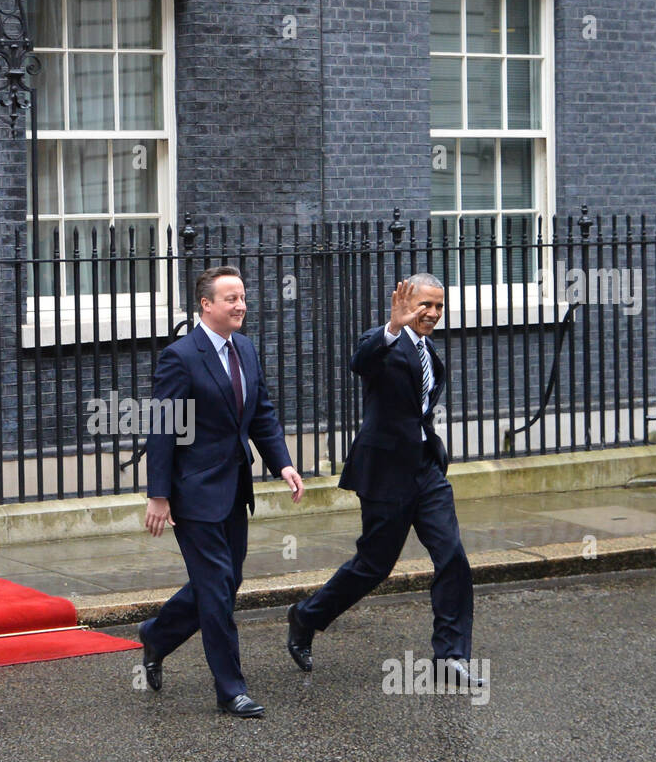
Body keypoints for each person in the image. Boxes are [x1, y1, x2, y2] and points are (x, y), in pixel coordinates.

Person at [285, 273, 485, 688]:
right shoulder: (386, 343)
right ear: (405, 302)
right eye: (423, 305)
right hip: (386, 474)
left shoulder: (430, 349)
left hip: (425, 470)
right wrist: (393, 326)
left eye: (437, 307)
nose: (431, 313)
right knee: (374, 566)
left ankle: (450, 656)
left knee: (452, 556)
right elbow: (362, 361)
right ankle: (306, 616)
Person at [139, 264, 304, 717]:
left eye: (243, 297)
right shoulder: (181, 356)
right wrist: (159, 494)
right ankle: (231, 689)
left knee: (227, 583)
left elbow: (262, 413)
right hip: (193, 494)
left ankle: (157, 635)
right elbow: (162, 427)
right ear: (206, 304)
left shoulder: (245, 350)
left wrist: (283, 463)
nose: (241, 305)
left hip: (234, 488)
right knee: (215, 590)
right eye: (230, 298)